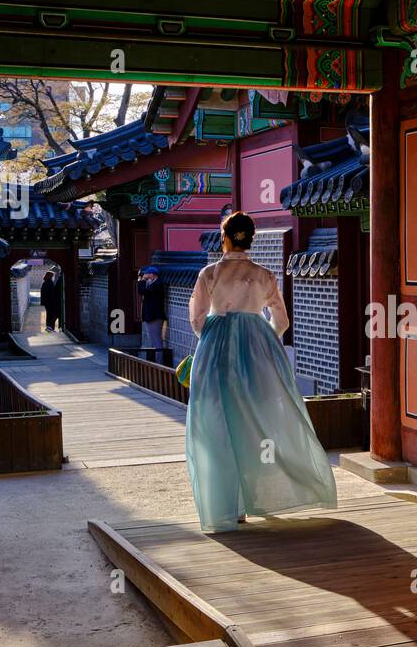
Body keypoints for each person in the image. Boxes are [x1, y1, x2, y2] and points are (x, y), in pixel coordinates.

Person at [184, 211, 337, 531]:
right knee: (257, 425)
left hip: (216, 353)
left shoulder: (209, 274)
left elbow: (197, 319)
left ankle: (229, 506)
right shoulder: (264, 274)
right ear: (250, 239)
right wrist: (262, 340)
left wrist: (213, 338)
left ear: (224, 237)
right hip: (257, 354)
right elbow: (281, 321)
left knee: (217, 427)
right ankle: (259, 496)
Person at [137, 265, 167, 362]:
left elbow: (142, 291)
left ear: (152, 275)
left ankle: (159, 362)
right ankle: (157, 361)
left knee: (156, 339)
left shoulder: (157, 285)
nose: (145, 275)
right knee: (153, 339)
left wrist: (141, 280)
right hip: (152, 316)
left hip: (155, 316)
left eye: (147, 273)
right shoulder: (152, 284)